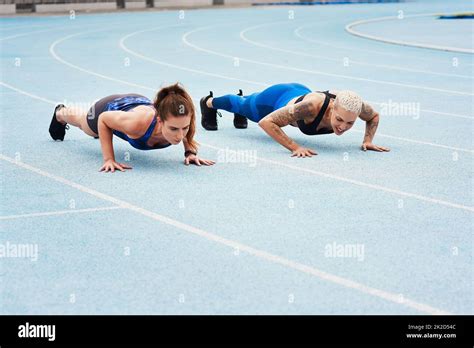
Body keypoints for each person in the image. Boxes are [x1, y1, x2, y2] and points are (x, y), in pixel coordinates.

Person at [49, 83, 215, 172]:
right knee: (86, 126)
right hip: (109, 107)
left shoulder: (179, 121)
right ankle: (61, 112)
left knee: (182, 125)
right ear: (160, 120)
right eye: (173, 129)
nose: (180, 136)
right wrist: (109, 159)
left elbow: (183, 126)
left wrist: (190, 152)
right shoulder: (137, 124)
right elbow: (103, 119)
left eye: (184, 129)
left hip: (138, 105)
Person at [200, 83, 390, 157]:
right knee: (243, 104)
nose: (342, 127)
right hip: (276, 99)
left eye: (350, 123)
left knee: (246, 104)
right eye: (339, 119)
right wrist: (295, 147)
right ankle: (208, 102)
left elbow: (373, 116)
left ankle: (242, 107)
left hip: (298, 91)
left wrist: (368, 140)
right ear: (332, 107)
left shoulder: (355, 106)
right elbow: (267, 122)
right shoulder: (311, 108)